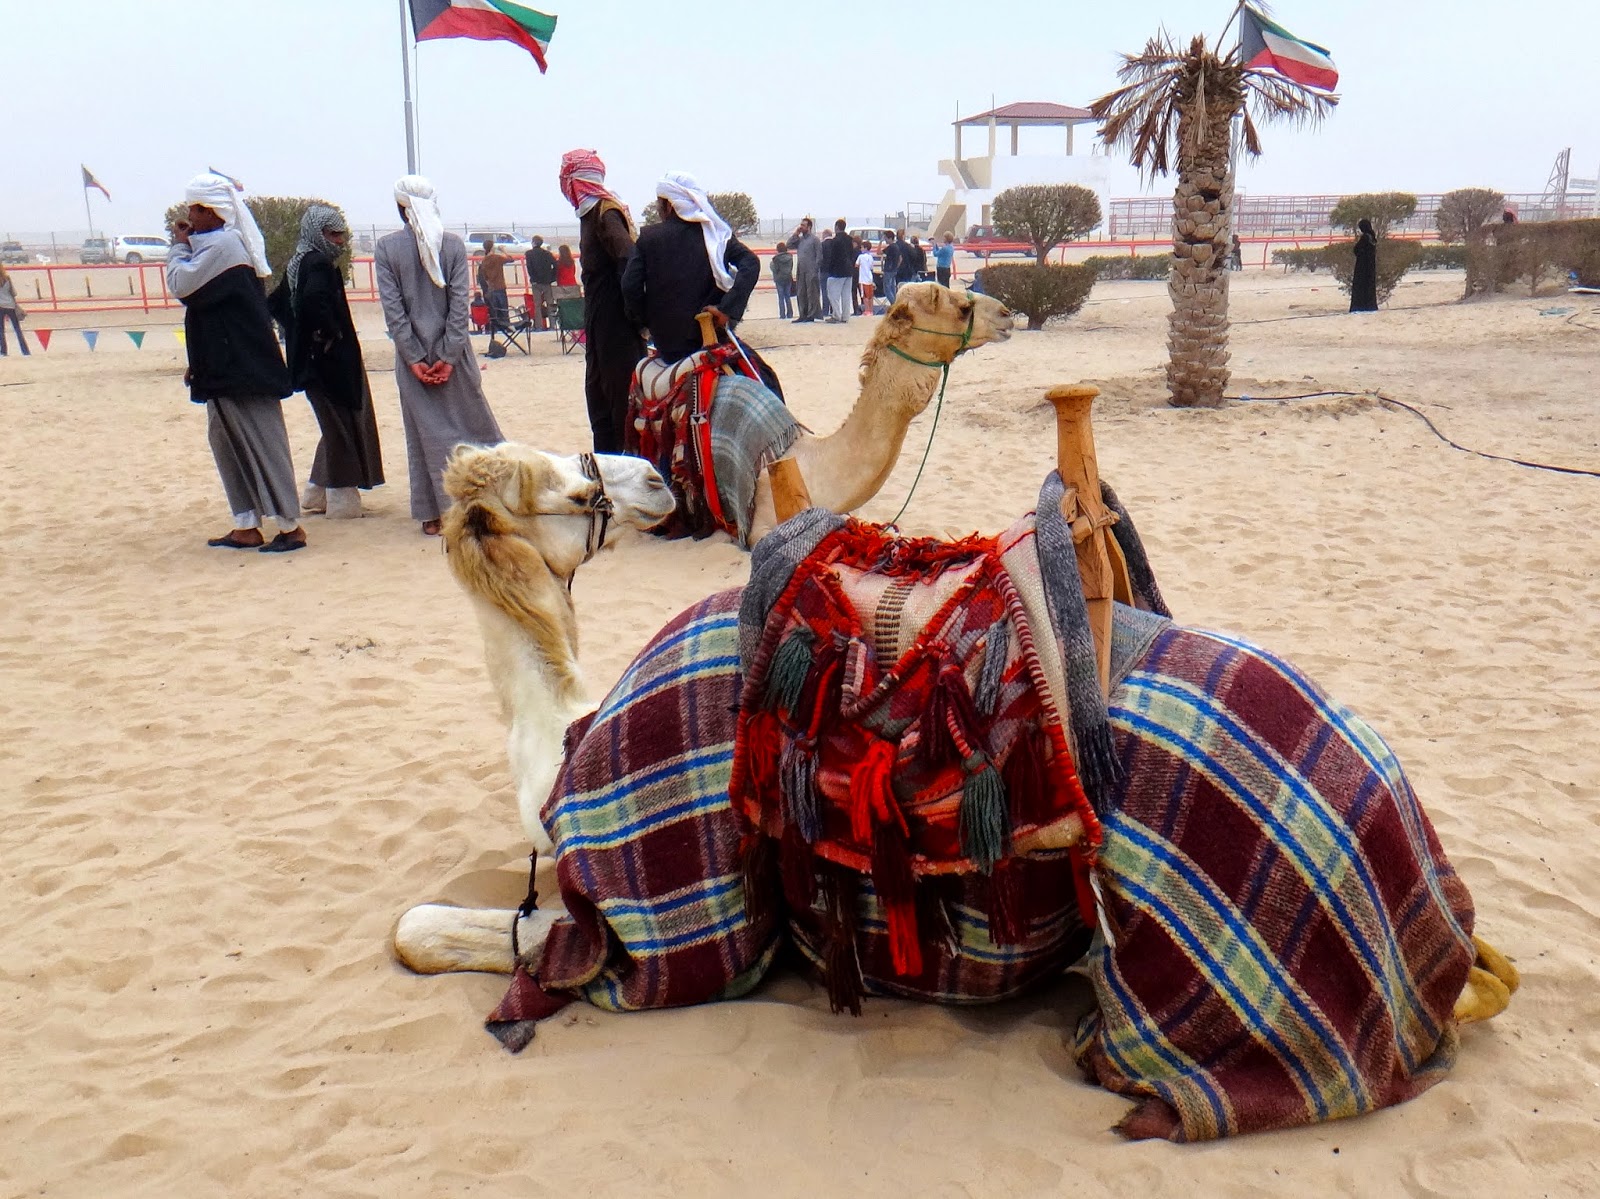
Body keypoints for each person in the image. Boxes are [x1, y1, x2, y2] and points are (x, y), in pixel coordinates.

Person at [166, 172, 304, 552]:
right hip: (221, 366)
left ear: (214, 211)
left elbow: (181, 284)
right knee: (226, 443)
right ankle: (246, 524)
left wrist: (178, 247)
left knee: (263, 442)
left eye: (195, 208)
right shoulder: (213, 246)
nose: (190, 215)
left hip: (246, 367)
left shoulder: (225, 246)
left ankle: (290, 526)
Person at [375, 175, 505, 536]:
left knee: (424, 435)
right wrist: (447, 355)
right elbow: (459, 305)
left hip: (413, 358)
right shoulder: (452, 246)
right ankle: (488, 503)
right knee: (473, 428)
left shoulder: (386, 249)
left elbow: (394, 311)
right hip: (455, 357)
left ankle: (433, 515)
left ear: (401, 206)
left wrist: (415, 357)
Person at [268, 204, 384, 520]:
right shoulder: (318, 264)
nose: (340, 241)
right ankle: (342, 500)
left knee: (334, 424)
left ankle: (316, 493)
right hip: (329, 364)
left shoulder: (299, 262)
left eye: (341, 235)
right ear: (317, 234)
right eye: (333, 235)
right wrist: (327, 334)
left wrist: (297, 336)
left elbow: (277, 304)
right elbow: (312, 302)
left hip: (311, 362)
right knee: (341, 427)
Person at [621, 171, 759, 364]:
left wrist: (647, 321)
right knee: (766, 376)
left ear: (668, 205)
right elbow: (751, 263)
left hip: (666, 343)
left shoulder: (648, 238)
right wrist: (727, 309)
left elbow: (629, 286)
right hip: (710, 338)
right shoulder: (715, 235)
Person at [559, 148, 646, 454]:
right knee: (598, 397)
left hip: (615, 322)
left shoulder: (605, 213)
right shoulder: (590, 214)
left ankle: (625, 469)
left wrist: (635, 316)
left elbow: (627, 257)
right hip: (599, 321)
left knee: (619, 400)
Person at [787, 217, 821, 322]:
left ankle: (811, 315)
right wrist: (796, 233)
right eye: (801, 225)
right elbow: (789, 245)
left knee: (811, 293)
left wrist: (815, 269)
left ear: (809, 227)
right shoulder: (800, 240)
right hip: (801, 269)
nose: (801, 227)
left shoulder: (815, 240)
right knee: (801, 292)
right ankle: (803, 314)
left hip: (811, 270)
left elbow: (819, 256)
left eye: (803, 225)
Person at [822, 218, 855, 323]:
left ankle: (836, 315)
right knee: (846, 295)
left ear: (836, 227)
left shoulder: (835, 241)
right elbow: (851, 254)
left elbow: (832, 257)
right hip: (849, 270)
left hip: (837, 271)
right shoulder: (850, 239)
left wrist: (829, 269)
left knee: (833, 294)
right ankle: (845, 316)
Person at [477, 237, 511, 333]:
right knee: (503, 309)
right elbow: (510, 259)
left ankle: (495, 329)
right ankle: (505, 327)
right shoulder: (497, 258)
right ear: (492, 248)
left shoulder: (484, 261)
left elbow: (483, 276)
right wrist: (503, 250)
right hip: (500, 286)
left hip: (491, 288)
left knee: (494, 310)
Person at [524, 234, 557, 330]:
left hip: (536, 282)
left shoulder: (529, 254)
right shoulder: (547, 254)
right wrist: (552, 277)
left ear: (533, 243)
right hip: (547, 281)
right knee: (550, 303)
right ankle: (552, 325)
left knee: (537, 305)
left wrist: (533, 278)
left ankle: (539, 326)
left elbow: (529, 267)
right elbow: (555, 265)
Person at [1349, 217, 1379, 313]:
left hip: (1362, 267)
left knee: (1360, 288)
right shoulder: (1372, 237)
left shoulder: (1365, 238)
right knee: (1369, 287)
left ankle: (1360, 306)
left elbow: (1357, 249)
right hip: (1370, 267)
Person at [0, 262, 28, 356]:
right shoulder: (7, 278)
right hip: (11, 305)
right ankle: (25, 351)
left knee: (1, 330)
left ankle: (3, 351)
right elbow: (14, 292)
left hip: (0, 307)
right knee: (17, 329)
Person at [770, 241, 794, 319]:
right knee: (787, 296)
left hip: (779, 279)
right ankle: (790, 313)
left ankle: (782, 314)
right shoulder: (790, 257)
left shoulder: (776, 259)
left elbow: (775, 269)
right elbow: (791, 267)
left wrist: (771, 265)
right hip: (788, 278)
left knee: (781, 297)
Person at [882, 230, 906, 304]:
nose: (885, 240)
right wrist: (896, 266)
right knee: (893, 288)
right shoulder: (896, 246)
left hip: (888, 270)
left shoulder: (890, 247)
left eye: (885, 238)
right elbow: (900, 258)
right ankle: (896, 302)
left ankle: (894, 304)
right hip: (894, 270)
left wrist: (880, 242)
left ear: (889, 238)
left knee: (887, 289)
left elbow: (878, 252)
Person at [856, 239, 877, 316]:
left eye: (861, 247)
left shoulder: (860, 256)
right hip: (870, 278)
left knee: (864, 296)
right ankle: (871, 310)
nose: (861, 249)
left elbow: (856, 265)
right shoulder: (871, 256)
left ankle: (867, 310)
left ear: (865, 248)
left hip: (862, 278)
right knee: (870, 295)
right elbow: (871, 267)